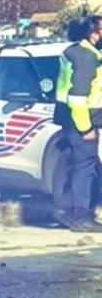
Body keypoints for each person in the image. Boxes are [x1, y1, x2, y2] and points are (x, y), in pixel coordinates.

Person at [53, 16, 102, 233]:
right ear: (94, 34)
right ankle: (81, 217)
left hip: (69, 119)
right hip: (82, 121)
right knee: (84, 168)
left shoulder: (74, 51)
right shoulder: (86, 58)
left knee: (73, 167)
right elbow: (78, 97)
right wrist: (86, 128)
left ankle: (66, 212)